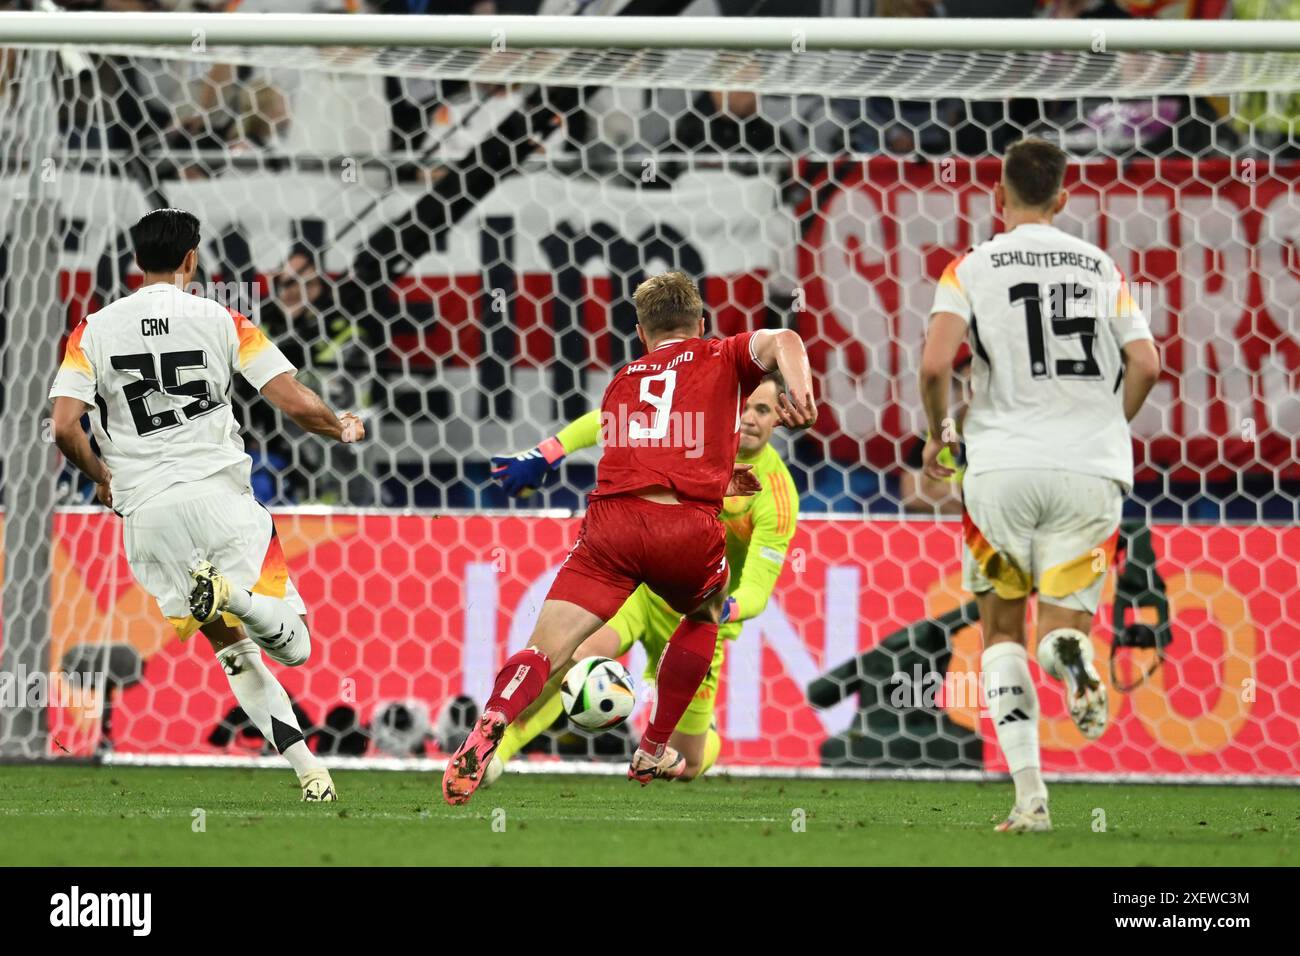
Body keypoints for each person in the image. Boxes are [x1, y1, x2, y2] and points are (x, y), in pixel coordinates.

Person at [442, 271, 816, 805]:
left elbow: (641, 450)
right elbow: (786, 339)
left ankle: (495, 717)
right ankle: (652, 747)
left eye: (764, 408)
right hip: (684, 540)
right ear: (701, 325)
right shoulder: (720, 355)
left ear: (641, 333)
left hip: (612, 528)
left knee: (546, 649)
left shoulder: (623, 380)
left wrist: (548, 454)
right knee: (704, 613)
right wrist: (803, 396)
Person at [48, 208, 365, 801]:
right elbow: (293, 401)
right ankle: (232, 593)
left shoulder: (92, 330)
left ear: (136, 261)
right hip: (221, 501)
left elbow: (65, 427)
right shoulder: (223, 319)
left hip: (148, 517)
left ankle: (309, 772)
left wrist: (101, 477)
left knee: (232, 649)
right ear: (192, 258)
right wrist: (339, 426)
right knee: (295, 645)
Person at [921, 138, 1160, 832]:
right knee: (1059, 632)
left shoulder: (970, 266)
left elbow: (935, 365)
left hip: (1001, 467)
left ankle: (1030, 800)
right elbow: (1147, 363)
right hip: (1089, 469)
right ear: (1063, 198)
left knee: (1001, 632)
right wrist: (1104, 427)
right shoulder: (1101, 266)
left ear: (998, 196)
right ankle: (1070, 657)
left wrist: (941, 435)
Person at [484, 372, 800, 783]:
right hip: (645, 591)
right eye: (742, 406)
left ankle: (703, 736)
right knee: (576, 656)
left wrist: (725, 608)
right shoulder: (693, 434)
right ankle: (495, 752)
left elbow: (758, 587)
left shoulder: (777, 495)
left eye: (762, 409)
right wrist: (550, 451)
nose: (749, 418)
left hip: (699, 620)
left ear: (780, 416)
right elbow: (615, 421)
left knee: (689, 765)